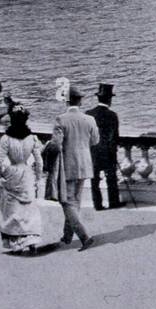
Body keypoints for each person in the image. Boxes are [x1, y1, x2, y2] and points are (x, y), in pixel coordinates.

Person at [0, 102, 45, 253]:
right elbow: (39, 161)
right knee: (29, 208)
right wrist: (38, 178)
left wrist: (2, 176)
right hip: (27, 173)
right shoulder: (32, 138)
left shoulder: (6, 139)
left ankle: (16, 244)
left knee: (12, 210)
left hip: (12, 172)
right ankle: (32, 242)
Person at [55, 86, 99, 250]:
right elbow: (94, 141)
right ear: (80, 101)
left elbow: (56, 144)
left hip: (68, 165)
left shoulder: (61, 119)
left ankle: (84, 237)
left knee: (66, 201)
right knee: (75, 201)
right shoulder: (90, 120)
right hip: (84, 164)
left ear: (66, 101)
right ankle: (67, 235)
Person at [87, 82, 121, 210]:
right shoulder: (112, 115)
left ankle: (98, 204)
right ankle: (114, 202)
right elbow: (114, 137)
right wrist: (113, 152)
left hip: (93, 151)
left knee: (94, 180)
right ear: (109, 99)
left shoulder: (89, 114)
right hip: (107, 152)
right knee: (111, 178)